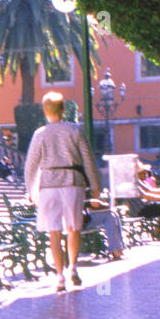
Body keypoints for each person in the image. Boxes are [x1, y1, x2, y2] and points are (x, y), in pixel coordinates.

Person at [24, 92, 102, 292]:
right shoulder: (75, 131)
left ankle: (59, 277)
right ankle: (73, 267)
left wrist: (30, 189)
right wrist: (96, 189)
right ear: (63, 110)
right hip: (72, 183)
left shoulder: (40, 134)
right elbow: (88, 160)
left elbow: (31, 166)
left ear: (45, 110)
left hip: (48, 186)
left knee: (54, 232)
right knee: (74, 228)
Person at [84, 190, 126, 261]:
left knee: (112, 214)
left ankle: (117, 248)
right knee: (110, 216)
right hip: (77, 220)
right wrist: (89, 203)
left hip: (83, 215)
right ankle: (116, 250)